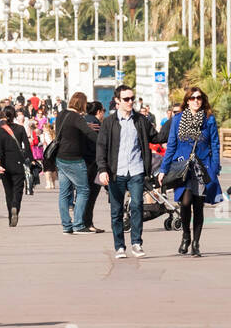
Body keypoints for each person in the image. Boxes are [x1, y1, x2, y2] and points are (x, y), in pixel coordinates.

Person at [95, 86, 156, 259]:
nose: (130, 102)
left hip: (136, 170)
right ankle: (119, 246)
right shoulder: (109, 122)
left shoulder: (141, 120)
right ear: (117, 101)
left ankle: (136, 243)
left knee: (137, 205)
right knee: (116, 211)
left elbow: (156, 137)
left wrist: (176, 122)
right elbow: (101, 147)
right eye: (126, 99)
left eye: (132, 99)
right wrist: (102, 169)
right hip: (116, 172)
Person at [160, 88, 223, 257]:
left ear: (203, 100)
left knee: (198, 205)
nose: (196, 101)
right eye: (193, 98)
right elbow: (171, 145)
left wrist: (215, 167)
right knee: (185, 203)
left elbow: (215, 145)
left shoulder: (209, 120)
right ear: (187, 101)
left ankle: (196, 243)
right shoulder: (178, 119)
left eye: (199, 98)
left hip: (202, 167)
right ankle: (186, 235)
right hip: (183, 167)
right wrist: (163, 169)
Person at [53, 92, 94, 234]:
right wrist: (103, 141)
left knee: (64, 193)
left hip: (60, 157)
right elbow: (89, 134)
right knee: (83, 190)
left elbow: (67, 131)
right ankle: (78, 224)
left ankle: (66, 226)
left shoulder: (61, 114)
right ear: (82, 104)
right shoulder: (77, 117)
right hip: (74, 158)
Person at [0, 104, 33, 227]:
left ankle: (11, 218)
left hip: (5, 164)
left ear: (4, 115)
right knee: (18, 189)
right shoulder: (20, 129)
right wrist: (31, 160)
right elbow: (27, 147)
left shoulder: (0, 130)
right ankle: (15, 206)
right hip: (17, 163)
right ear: (15, 116)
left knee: (8, 192)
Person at [81, 100, 105, 231]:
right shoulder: (96, 124)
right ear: (99, 112)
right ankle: (87, 223)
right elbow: (101, 144)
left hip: (81, 161)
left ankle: (81, 222)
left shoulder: (82, 120)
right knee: (91, 194)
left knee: (83, 193)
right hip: (94, 163)